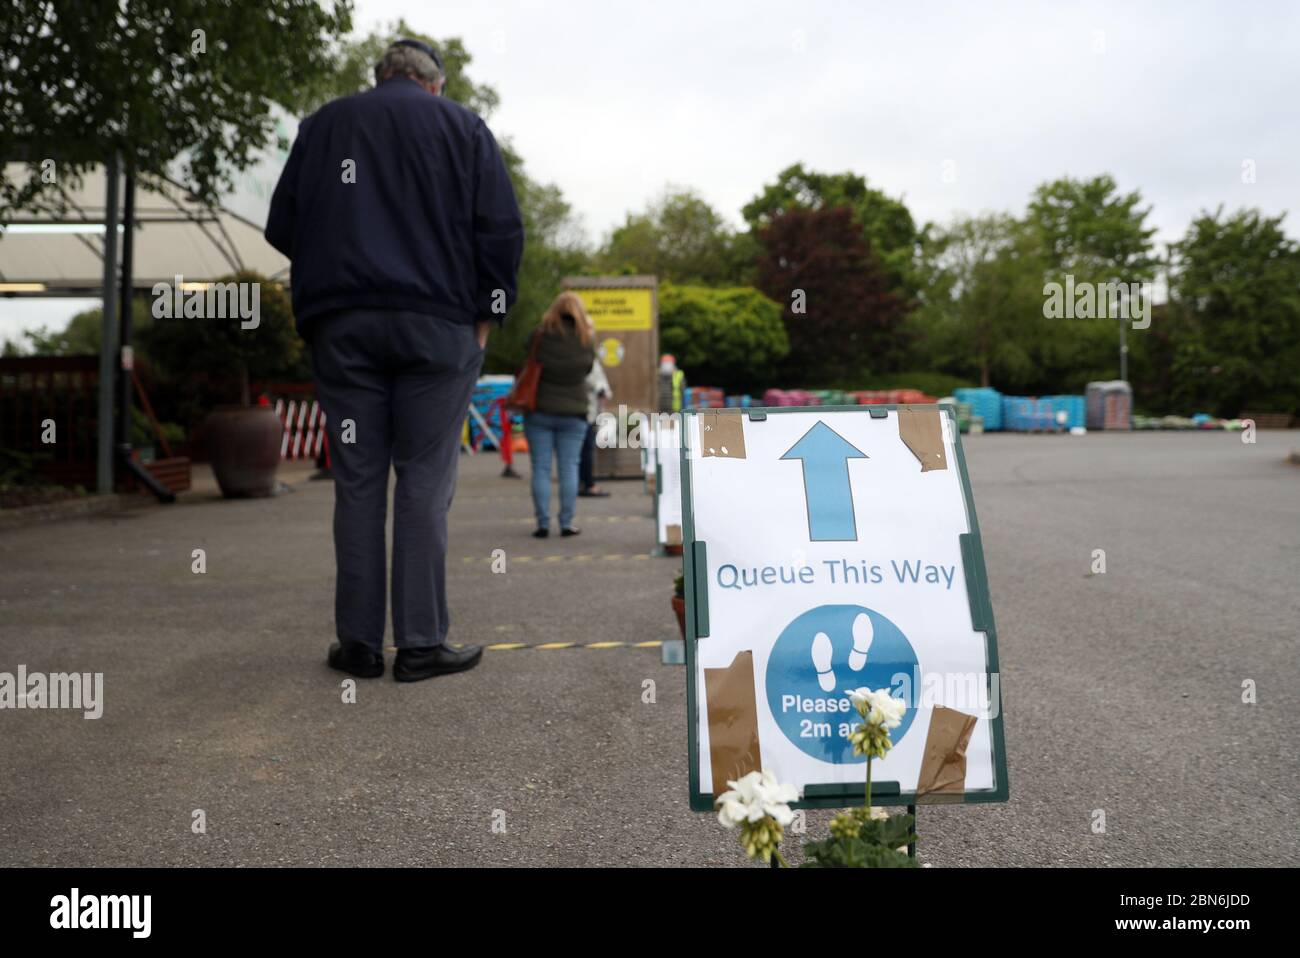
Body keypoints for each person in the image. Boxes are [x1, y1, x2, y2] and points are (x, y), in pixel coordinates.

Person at [264, 39, 524, 682]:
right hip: (437, 329)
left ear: (378, 78)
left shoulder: (322, 127)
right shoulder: (464, 127)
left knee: (356, 481)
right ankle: (420, 645)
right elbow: (500, 229)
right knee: (424, 481)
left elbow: (282, 226)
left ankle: (356, 644)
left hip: (344, 328)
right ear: (435, 85)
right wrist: (488, 316)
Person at [523, 292, 596, 537]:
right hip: (574, 411)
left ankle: (542, 523)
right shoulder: (586, 338)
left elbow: (527, 359)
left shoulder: (540, 335)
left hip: (539, 409)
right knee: (569, 468)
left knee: (541, 468)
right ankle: (566, 523)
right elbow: (587, 369)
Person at [579, 358, 612, 497]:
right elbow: (596, 383)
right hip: (587, 411)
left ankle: (583, 483)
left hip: (586, 411)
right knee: (586, 450)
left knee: (581, 451)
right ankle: (588, 485)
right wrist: (602, 391)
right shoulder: (586, 359)